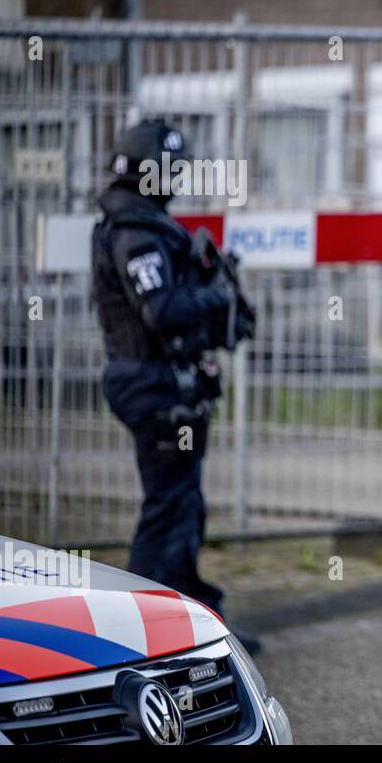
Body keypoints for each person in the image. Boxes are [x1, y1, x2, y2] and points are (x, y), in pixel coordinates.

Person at [90, 119, 259, 652]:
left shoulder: (144, 224)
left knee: (182, 505)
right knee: (167, 507)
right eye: (171, 170)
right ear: (148, 172)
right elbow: (161, 311)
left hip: (165, 384)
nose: (177, 179)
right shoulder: (135, 234)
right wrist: (215, 297)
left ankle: (191, 627)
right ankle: (130, 636)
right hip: (151, 387)